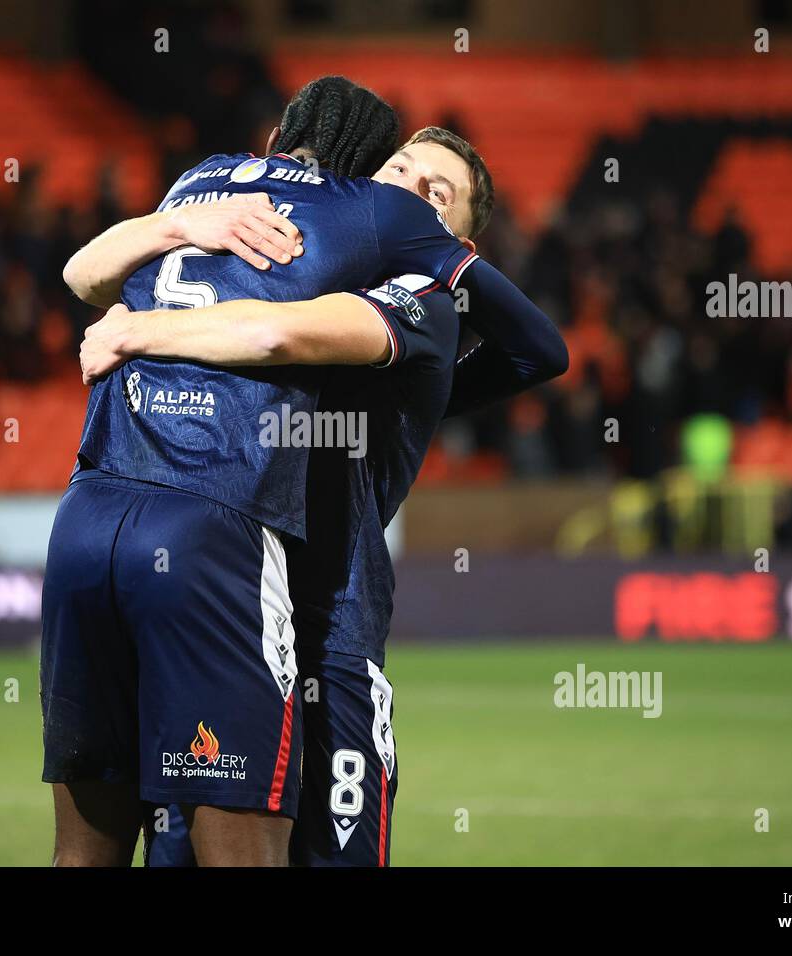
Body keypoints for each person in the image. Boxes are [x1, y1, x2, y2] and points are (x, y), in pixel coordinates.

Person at [47, 77, 551, 865]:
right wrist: (177, 228)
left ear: (451, 238)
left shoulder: (423, 305)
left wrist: (137, 326)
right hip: (238, 586)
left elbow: (278, 335)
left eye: (437, 191)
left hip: (331, 626)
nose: (412, 191)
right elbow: (101, 276)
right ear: (361, 184)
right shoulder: (297, 256)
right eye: (401, 174)